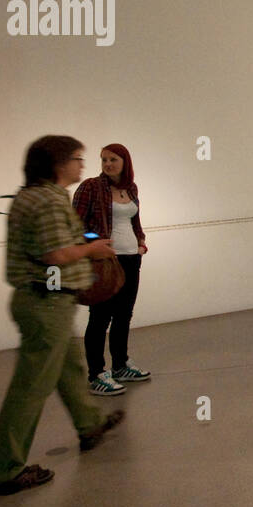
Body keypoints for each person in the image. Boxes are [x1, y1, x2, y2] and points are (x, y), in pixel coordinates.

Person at [0, 136, 125, 496]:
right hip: (45, 303)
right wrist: (93, 249)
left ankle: (89, 425)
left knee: (71, 369)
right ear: (59, 164)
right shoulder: (46, 199)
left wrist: (88, 240)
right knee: (31, 388)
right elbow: (55, 254)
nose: (82, 165)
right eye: (78, 159)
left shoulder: (39, 196)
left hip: (50, 303)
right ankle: (3, 470)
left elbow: (61, 242)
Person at [73, 143, 151, 395]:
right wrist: (96, 242)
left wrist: (140, 241)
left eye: (113, 159)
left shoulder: (131, 188)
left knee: (124, 314)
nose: (107, 164)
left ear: (124, 162)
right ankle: (96, 373)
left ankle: (120, 365)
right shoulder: (91, 187)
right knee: (100, 317)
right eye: (104, 159)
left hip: (131, 258)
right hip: (105, 261)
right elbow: (76, 224)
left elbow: (134, 219)